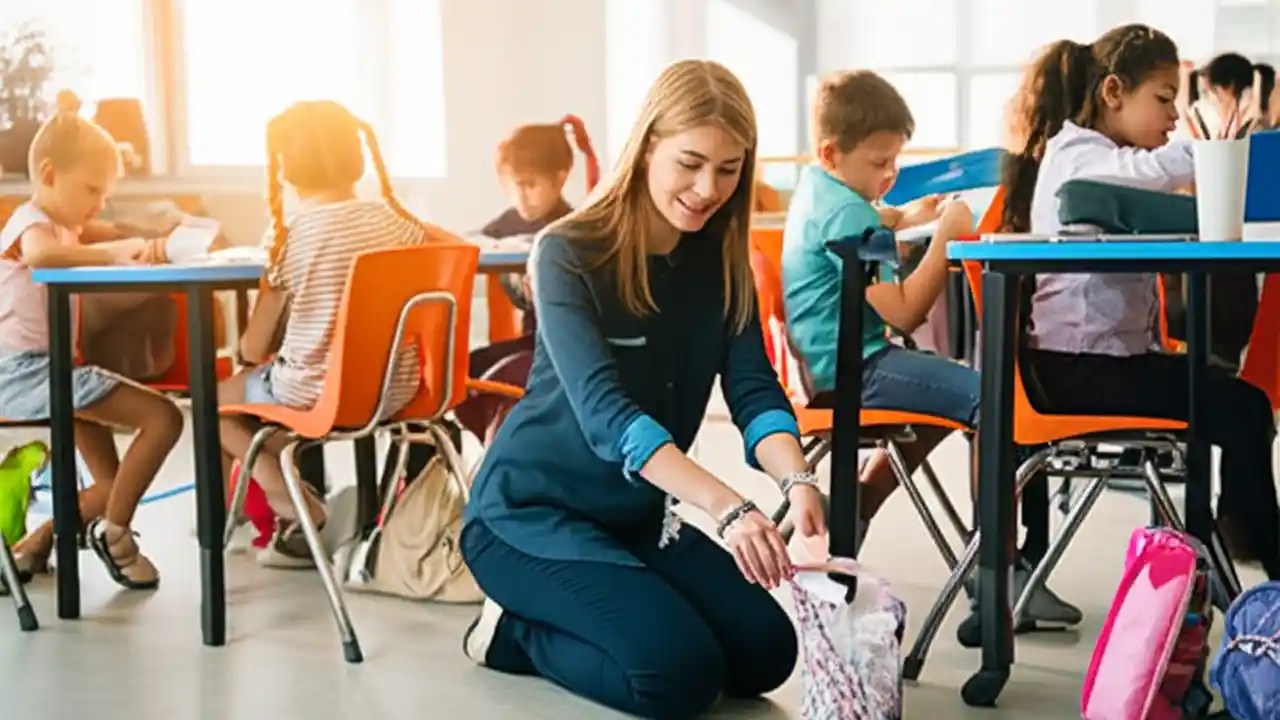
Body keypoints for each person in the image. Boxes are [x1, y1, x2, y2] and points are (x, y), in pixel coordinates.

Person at [460, 59, 820, 719]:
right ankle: (514, 632)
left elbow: (755, 392)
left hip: (638, 518)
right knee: (676, 678)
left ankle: (625, 603)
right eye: (690, 162)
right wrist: (730, 508)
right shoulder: (566, 253)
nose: (707, 187)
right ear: (648, 143)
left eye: (728, 169)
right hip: (531, 517)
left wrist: (797, 480)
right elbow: (608, 419)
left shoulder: (724, 267)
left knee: (766, 653)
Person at [1004, 24, 1280, 578]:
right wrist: (1215, 154)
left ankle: (1233, 538)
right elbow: (1139, 174)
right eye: (1161, 99)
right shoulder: (1077, 156)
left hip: (1105, 363)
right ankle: (1261, 559)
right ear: (1112, 93)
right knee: (1242, 409)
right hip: (1077, 370)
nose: (1173, 116)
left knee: (1238, 401)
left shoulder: (1103, 154)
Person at [217, 101, 442, 568]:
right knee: (273, 399)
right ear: (357, 157)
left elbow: (254, 348)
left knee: (214, 402)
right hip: (394, 391)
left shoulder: (292, 236)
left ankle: (298, 508)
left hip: (317, 394)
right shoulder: (398, 223)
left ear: (285, 168)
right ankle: (299, 512)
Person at [0, 97, 184, 590]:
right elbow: (49, 255)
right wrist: (108, 250)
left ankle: (34, 544)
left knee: (110, 484)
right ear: (48, 172)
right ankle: (115, 534)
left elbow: (108, 231)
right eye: (91, 189)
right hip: (23, 375)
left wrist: (154, 242)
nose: (99, 202)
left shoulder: (65, 224)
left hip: (53, 369)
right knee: (164, 417)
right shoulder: (29, 223)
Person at [454, 116, 599, 443]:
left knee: (497, 377)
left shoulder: (574, 228)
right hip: (528, 342)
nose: (521, 197)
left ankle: (511, 448)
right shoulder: (506, 226)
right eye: (513, 186)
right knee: (457, 372)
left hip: (558, 347)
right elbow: (470, 242)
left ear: (560, 180)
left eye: (530, 185)